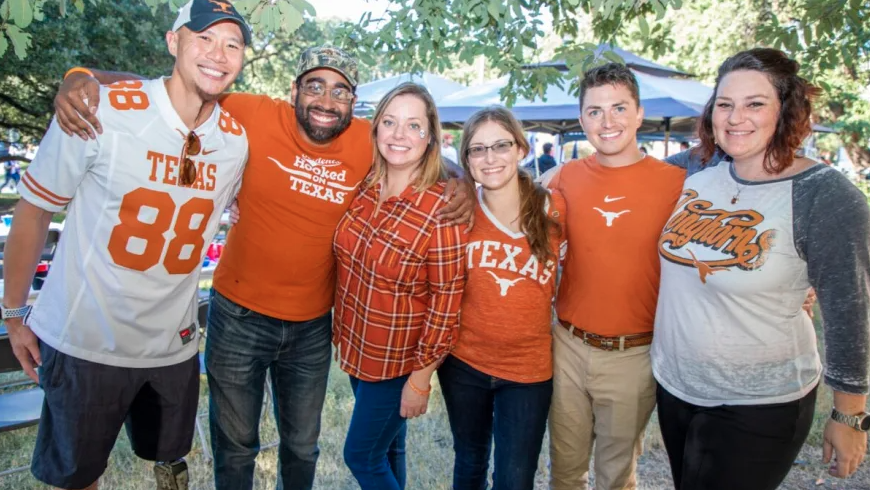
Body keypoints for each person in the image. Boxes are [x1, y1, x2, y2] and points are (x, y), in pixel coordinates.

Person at [53, 46, 473, 489]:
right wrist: (81, 73)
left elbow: (418, 153)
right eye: (314, 86)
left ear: (353, 102)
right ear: (293, 90)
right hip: (238, 317)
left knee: (301, 446)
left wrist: (460, 181)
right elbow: (169, 89)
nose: (326, 101)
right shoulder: (252, 112)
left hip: (312, 327)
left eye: (340, 91)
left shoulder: (368, 139)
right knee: (235, 446)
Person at [2, 1, 251, 489]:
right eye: (203, 37)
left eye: (232, 44)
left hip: (171, 344)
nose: (218, 54)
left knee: (168, 460)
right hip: (87, 340)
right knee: (78, 476)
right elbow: (33, 211)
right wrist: (13, 313)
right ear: (173, 41)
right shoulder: (99, 109)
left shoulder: (237, 141)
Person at [653, 48, 870, 490]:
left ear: (785, 111)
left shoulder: (823, 194)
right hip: (677, 389)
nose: (736, 117)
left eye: (755, 104)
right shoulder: (700, 180)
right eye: (726, 104)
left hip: (758, 402)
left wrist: (850, 414)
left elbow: (851, 312)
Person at [542, 63, 687, 490]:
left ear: (639, 113)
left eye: (619, 108)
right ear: (582, 119)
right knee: (564, 472)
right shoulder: (564, 177)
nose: (608, 122)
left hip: (634, 354)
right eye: (594, 111)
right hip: (567, 345)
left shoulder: (678, 184)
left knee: (615, 475)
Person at [333, 83, 467, 490]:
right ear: (375, 130)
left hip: (398, 361)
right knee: (390, 448)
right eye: (389, 122)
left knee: (361, 455)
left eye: (413, 125)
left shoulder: (444, 207)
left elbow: (447, 304)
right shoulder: (365, 185)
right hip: (358, 345)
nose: (398, 134)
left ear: (431, 136)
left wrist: (420, 378)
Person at [438, 106, 566, 490]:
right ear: (466, 161)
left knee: (514, 478)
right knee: (470, 462)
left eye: (500, 146)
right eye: (477, 150)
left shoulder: (556, 208)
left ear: (521, 148)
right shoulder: (459, 211)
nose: (490, 158)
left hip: (528, 372)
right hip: (464, 364)